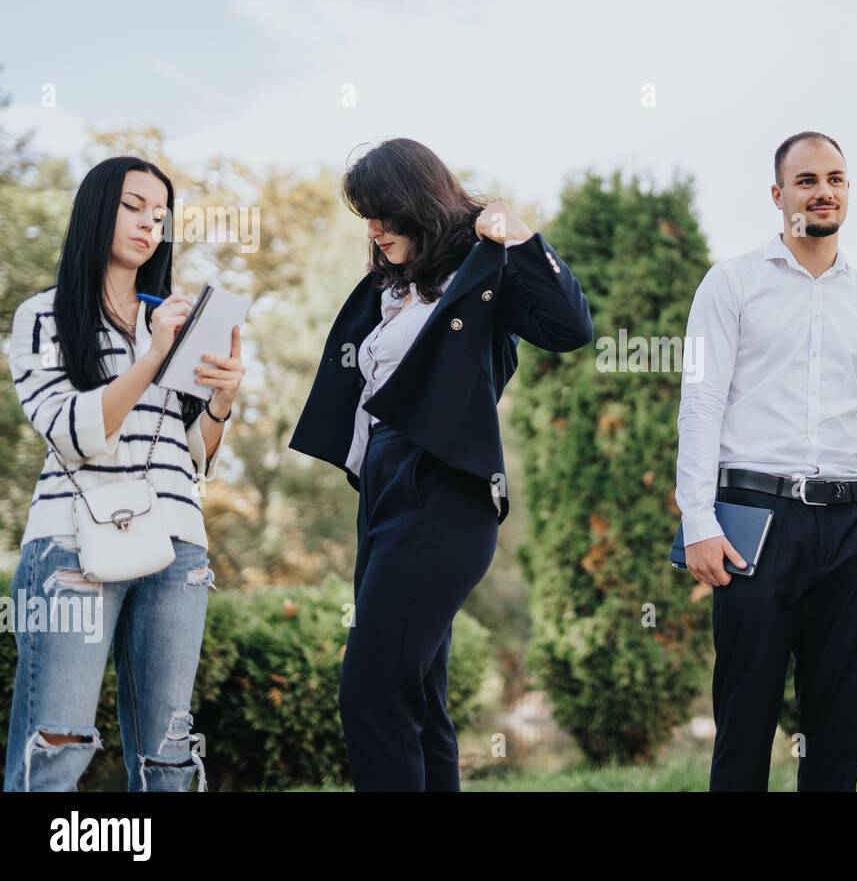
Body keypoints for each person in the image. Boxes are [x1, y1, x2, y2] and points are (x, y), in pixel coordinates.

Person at [288, 138, 593, 791]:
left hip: (442, 491)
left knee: (370, 694)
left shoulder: (483, 270)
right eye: (365, 215)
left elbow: (571, 328)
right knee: (418, 704)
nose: (372, 229)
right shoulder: (390, 288)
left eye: (384, 213)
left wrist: (520, 237)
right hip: (382, 496)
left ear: (419, 206)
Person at [676, 131, 857, 792]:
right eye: (807, 180)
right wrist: (698, 516)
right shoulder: (730, 284)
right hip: (753, 519)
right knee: (744, 723)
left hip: (854, 527)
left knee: (838, 731)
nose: (823, 190)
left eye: (835, 178)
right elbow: (701, 402)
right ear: (779, 196)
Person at [5, 156, 243, 792]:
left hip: (177, 546)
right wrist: (151, 358)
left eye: (161, 215)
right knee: (57, 744)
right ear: (96, 209)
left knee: (168, 755)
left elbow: (193, 455)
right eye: (134, 206)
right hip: (73, 546)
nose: (149, 224)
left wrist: (220, 399)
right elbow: (71, 430)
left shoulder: (172, 319)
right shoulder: (43, 316)